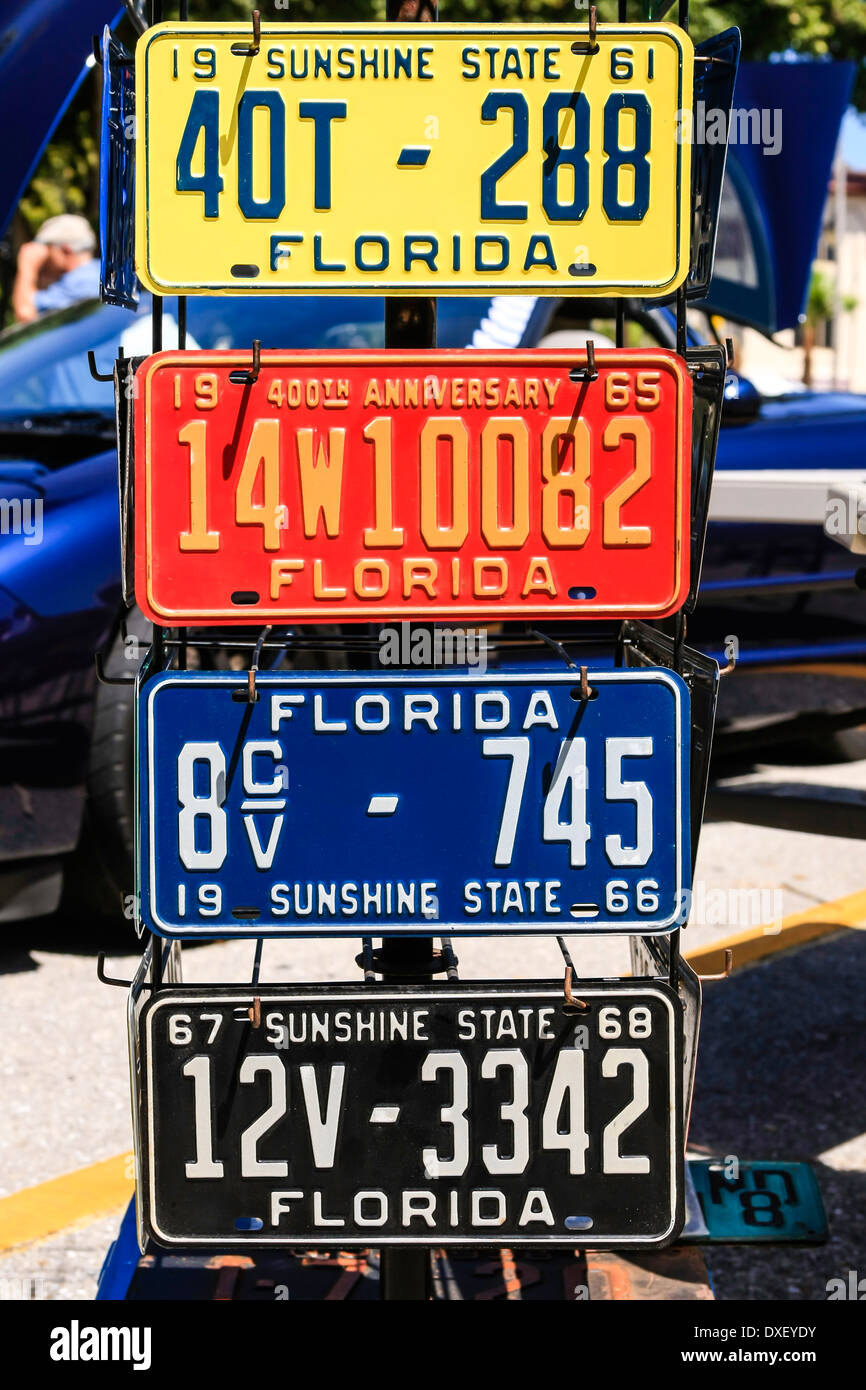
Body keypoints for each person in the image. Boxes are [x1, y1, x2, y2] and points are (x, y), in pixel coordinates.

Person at [12, 214, 100, 322]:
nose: (44, 263)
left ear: (65, 251)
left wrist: (27, 268)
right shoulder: (100, 273)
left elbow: (25, 314)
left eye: (48, 253)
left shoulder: (80, 282)